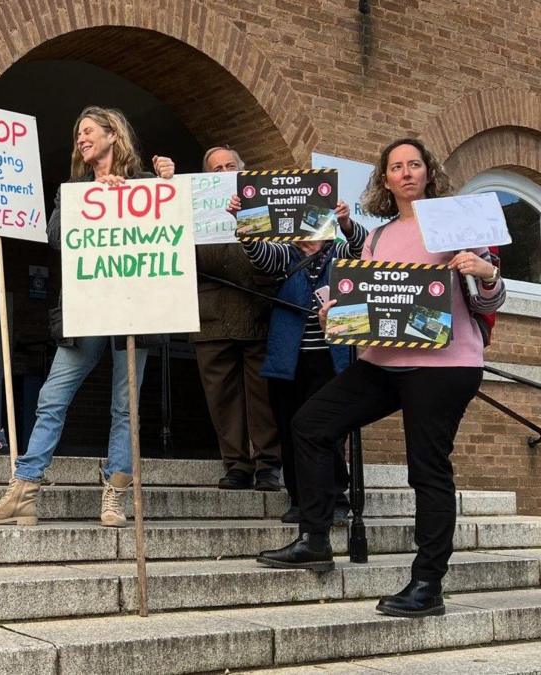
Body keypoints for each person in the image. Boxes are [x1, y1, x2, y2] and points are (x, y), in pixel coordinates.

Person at [256, 138, 506, 619]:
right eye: (397, 166)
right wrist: (337, 314)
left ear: (428, 173)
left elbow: (488, 301)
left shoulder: (458, 222)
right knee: (309, 425)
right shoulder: (377, 237)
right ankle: (314, 537)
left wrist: (486, 272)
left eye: (415, 164)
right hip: (382, 362)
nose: (407, 172)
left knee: (426, 468)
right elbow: (367, 309)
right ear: (385, 179)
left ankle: (427, 584)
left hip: (446, 365)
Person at [0, 106, 174, 528]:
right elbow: (57, 239)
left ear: (112, 134)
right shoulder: (74, 190)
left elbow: (173, 228)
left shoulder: (147, 185)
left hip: (136, 310)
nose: (80, 139)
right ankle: (24, 490)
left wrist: (166, 184)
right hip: (88, 307)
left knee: (124, 407)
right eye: (78, 133)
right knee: (52, 398)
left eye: (88, 131)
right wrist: (97, 195)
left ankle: (115, 495)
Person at [227, 187, 364, 524]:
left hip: (331, 361)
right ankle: (300, 499)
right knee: (290, 430)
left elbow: (364, 249)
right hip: (288, 360)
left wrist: (347, 223)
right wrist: (244, 223)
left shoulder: (340, 252)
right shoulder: (285, 253)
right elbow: (259, 254)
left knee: (328, 431)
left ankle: (336, 498)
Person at [192, 146, 282, 491]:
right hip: (212, 318)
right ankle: (236, 465)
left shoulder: (265, 207)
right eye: (216, 169)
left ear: (243, 171)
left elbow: (278, 259)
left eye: (230, 166)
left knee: (264, 396)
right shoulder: (196, 209)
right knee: (222, 398)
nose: (224, 172)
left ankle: (268, 464)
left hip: (259, 313)